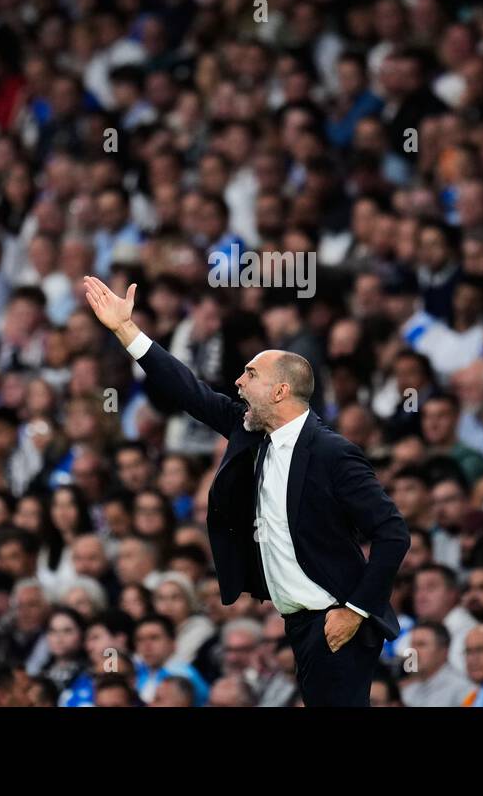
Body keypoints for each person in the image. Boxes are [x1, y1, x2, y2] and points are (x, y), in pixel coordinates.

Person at [82, 275, 409, 706]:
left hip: (336, 619)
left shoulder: (332, 452)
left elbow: (393, 533)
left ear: (280, 390)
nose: (238, 381)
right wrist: (127, 331)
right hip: (300, 622)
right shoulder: (250, 431)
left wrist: (355, 611)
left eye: (249, 374)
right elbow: (190, 392)